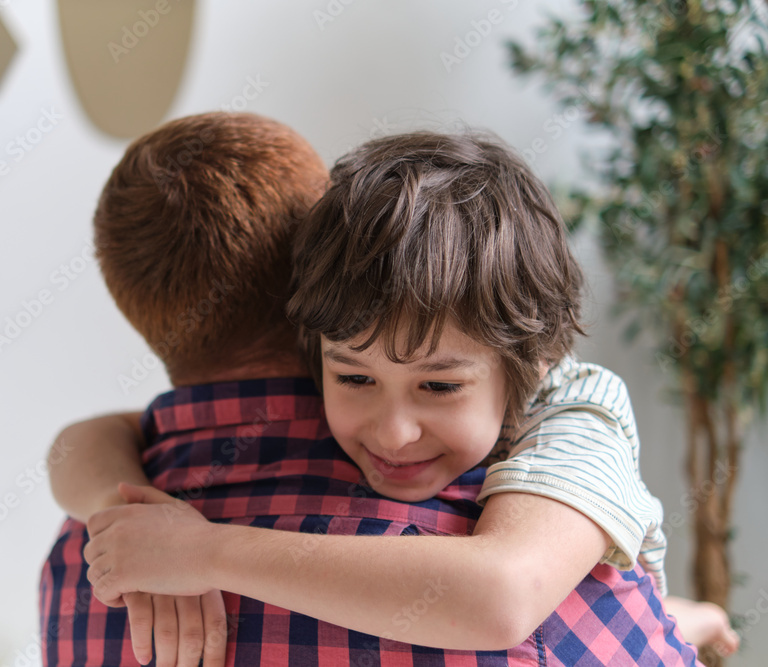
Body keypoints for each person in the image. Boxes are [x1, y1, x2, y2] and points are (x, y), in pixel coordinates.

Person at [40, 114, 724, 666]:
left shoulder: (575, 407)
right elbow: (92, 436)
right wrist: (120, 506)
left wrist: (203, 551)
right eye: (355, 377)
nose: (394, 431)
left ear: (534, 364)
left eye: (440, 385)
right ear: (308, 326)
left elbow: (507, 590)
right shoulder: (332, 381)